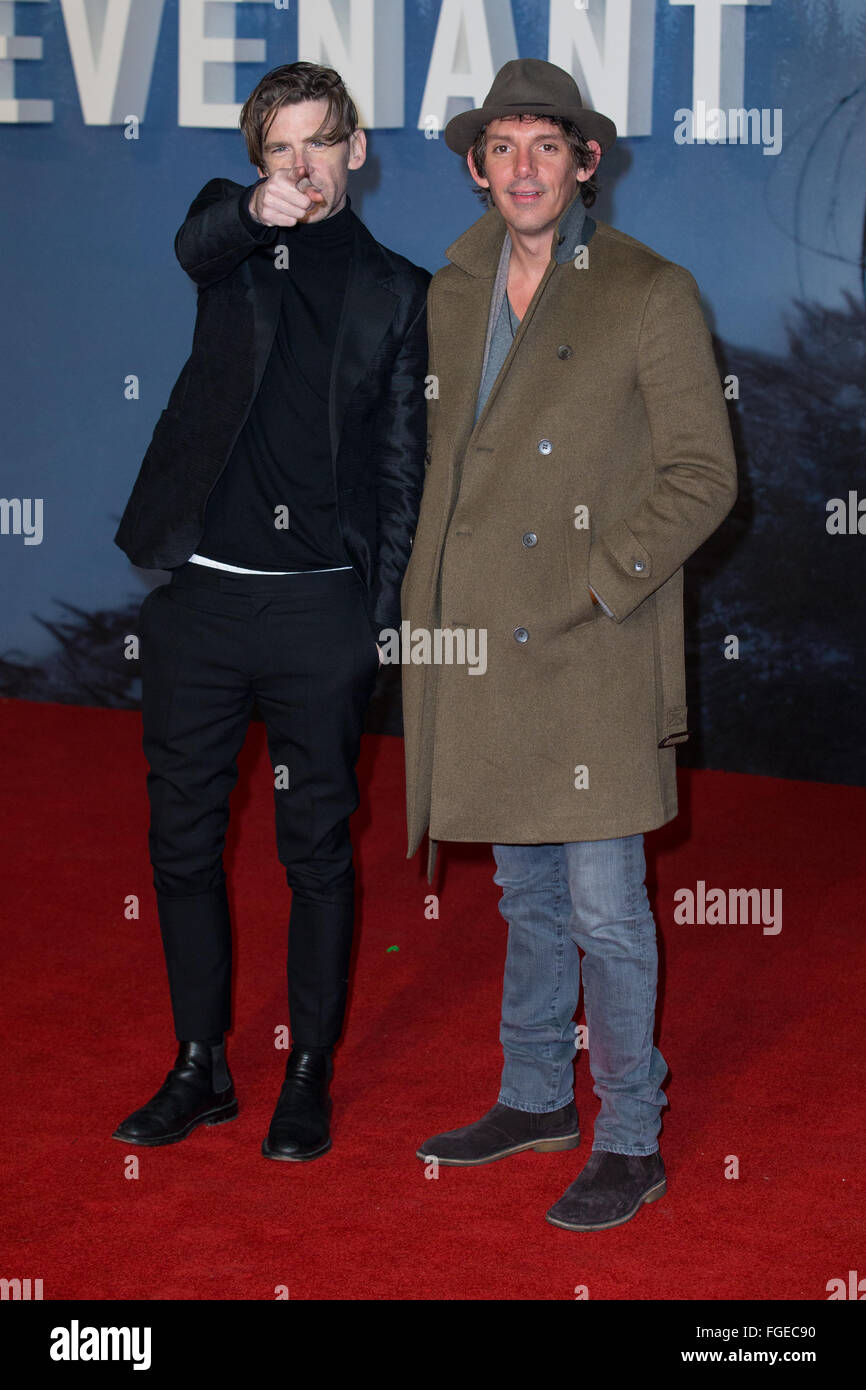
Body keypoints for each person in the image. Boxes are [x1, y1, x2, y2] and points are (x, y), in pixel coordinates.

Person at [401, 58, 737, 1229]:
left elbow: (703, 473)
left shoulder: (648, 289)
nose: (523, 168)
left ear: (584, 163)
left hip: (592, 638)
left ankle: (632, 1136)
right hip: (484, 640)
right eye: (502, 148)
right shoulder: (449, 289)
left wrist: (601, 583)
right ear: (477, 167)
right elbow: (445, 467)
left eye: (547, 146)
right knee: (527, 895)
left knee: (603, 907)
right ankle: (536, 1095)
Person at [113, 62, 429, 1161]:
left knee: (317, 852)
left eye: (317, 142)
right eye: (277, 149)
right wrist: (251, 211)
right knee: (180, 845)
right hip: (200, 600)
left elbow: (402, 473)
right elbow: (194, 238)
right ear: (259, 162)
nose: (300, 166)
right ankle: (199, 1066)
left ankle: (307, 1071)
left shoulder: (398, 290)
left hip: (316, 617)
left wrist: (370, 616)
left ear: (355, 148)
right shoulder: (232, 246)